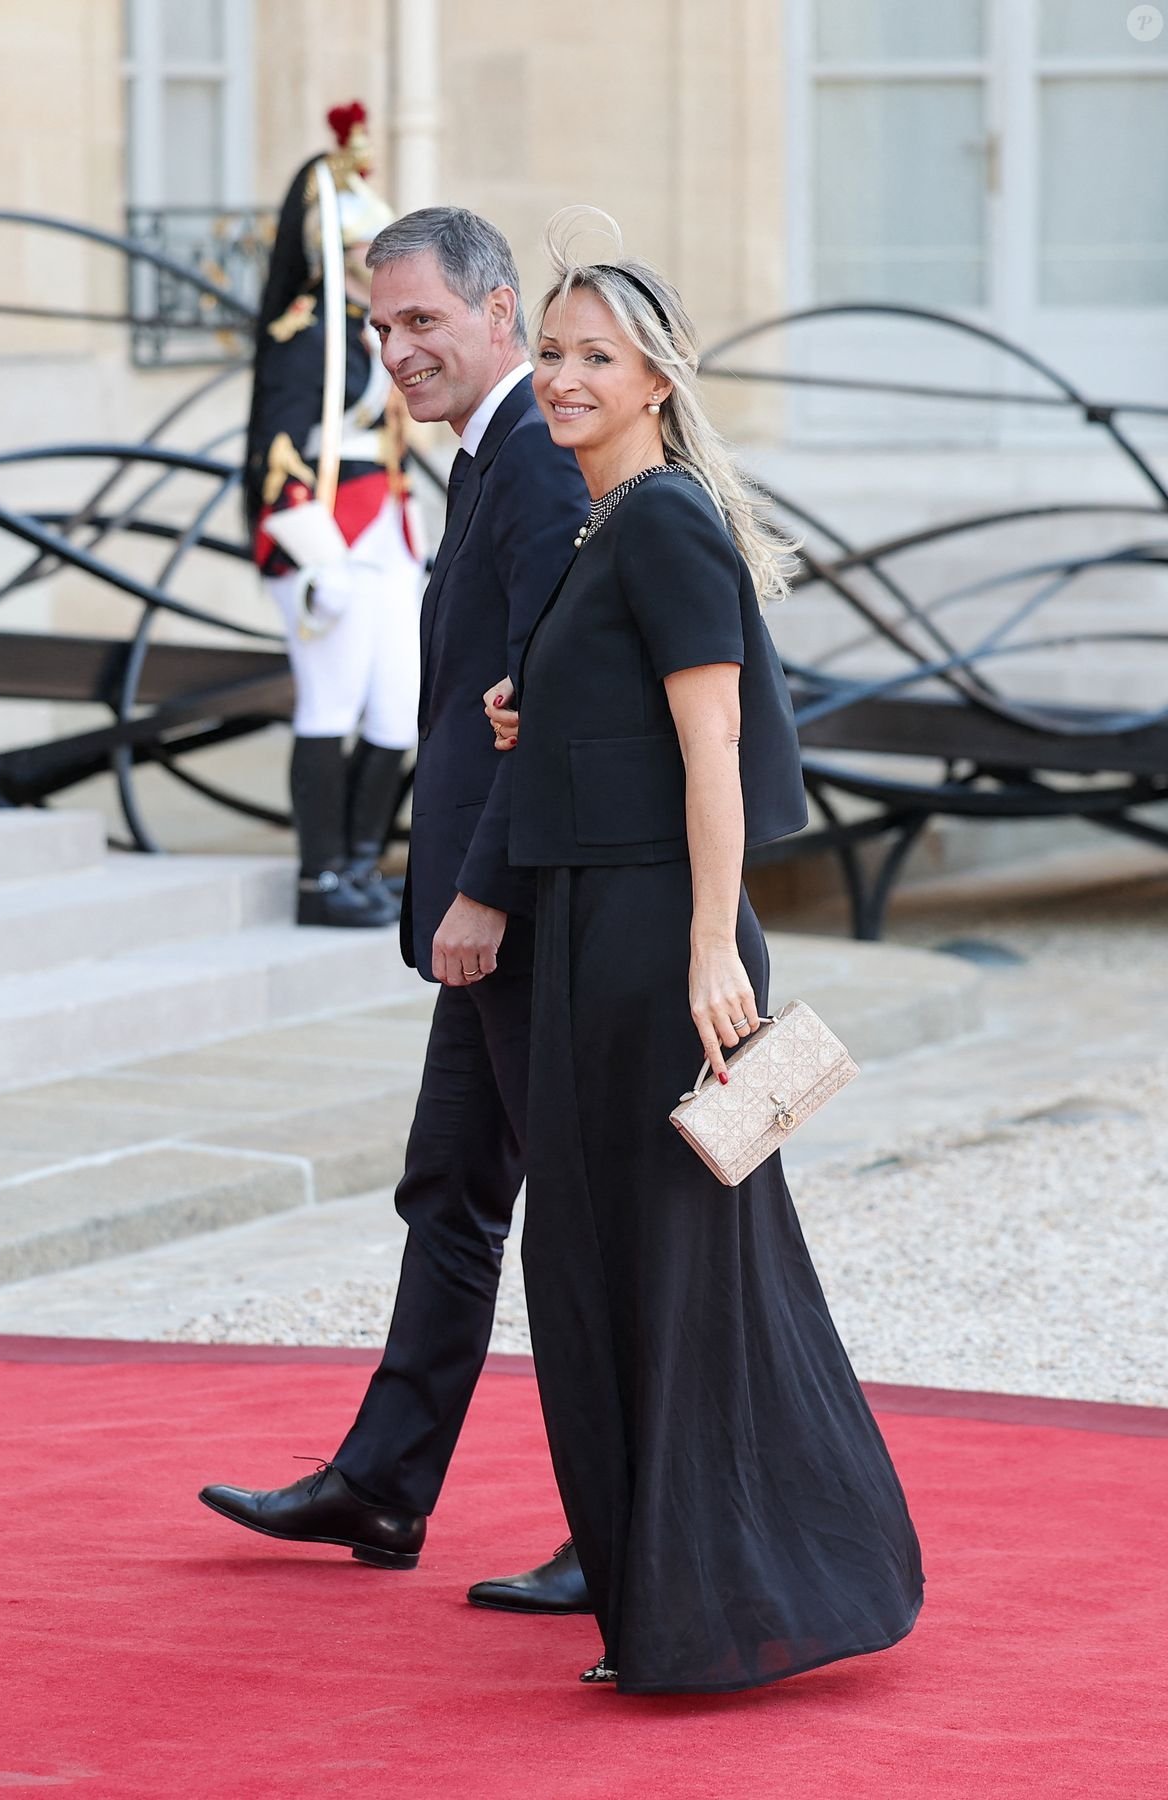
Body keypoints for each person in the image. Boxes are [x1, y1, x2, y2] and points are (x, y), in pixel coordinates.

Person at [487, 216, 925, 1692]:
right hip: (595, 930)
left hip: (650, 945)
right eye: (548, 353)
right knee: (603, 1255)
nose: (560, 378)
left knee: (661, 1262)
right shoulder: (613, 526)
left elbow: (715, 735)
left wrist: (707, 950)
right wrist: (538, 712)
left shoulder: (661, 517)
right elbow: (634, 713)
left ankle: (716, 1604)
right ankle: (673, 1598)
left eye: (591, 357)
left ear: (657, 378)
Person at [200, 207, 593, 1614]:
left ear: (500, 315)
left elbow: (545, 707)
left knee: (581, 1229)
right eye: (380, 326)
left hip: (520, 915)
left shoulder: (539, 463)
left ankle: (613, 1531)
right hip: (475, 914)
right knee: (449, 1193)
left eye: (422, 320)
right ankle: (383, 1480)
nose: (396, 348)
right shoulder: (489, 461)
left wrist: (478, 887)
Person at [244, 102, 422, 928]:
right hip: (323, 529)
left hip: (386, 522)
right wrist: (314, 554)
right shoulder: (302, 334)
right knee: (331, 700)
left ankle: (358, 860)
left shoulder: (374, 331)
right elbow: (274, 449)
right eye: (365, 252)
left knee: (396, 705)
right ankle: (319, 879)